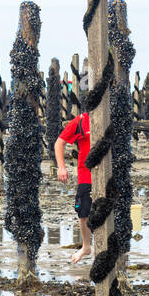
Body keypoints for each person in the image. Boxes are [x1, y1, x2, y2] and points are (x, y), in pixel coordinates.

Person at [54, 81, 92, 264]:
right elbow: (59, 142)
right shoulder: (81, 121)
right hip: (86, 176)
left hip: (106, 176)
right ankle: (86, 246)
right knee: (83, 213)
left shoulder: (109, 120)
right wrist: (62, 166)